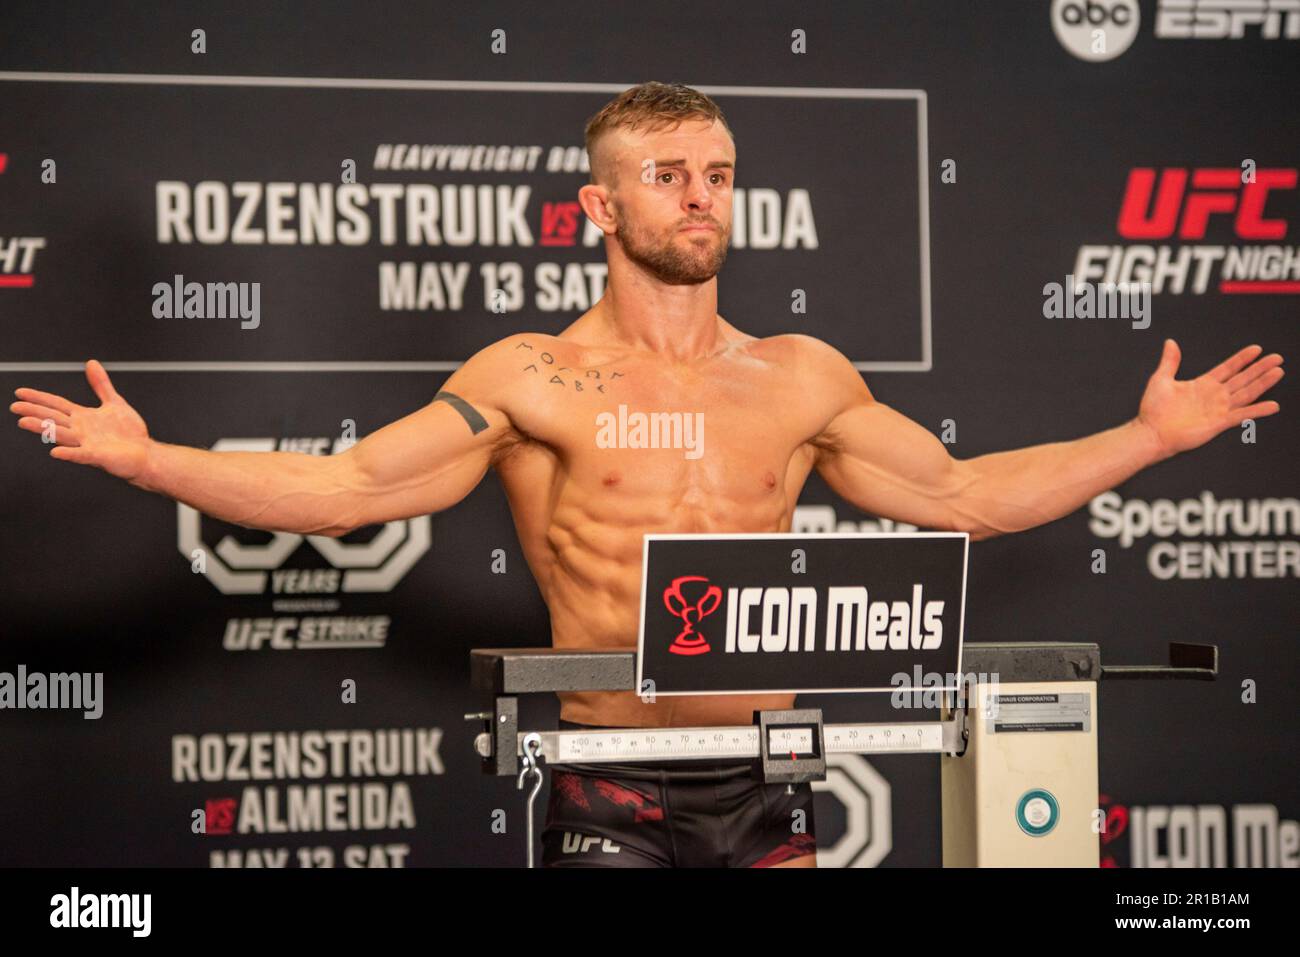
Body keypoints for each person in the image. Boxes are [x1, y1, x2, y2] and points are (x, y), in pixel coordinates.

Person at [9, 82, 1285, 867]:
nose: (699, 199)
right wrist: (149, 458)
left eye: (717, 176)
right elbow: (350, 492)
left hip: (773, 778)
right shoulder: (531, 376)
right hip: (607, 787)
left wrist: (1147, 443)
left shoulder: (799, 375)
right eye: (666, 177)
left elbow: (957, 498)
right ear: (597, 210)